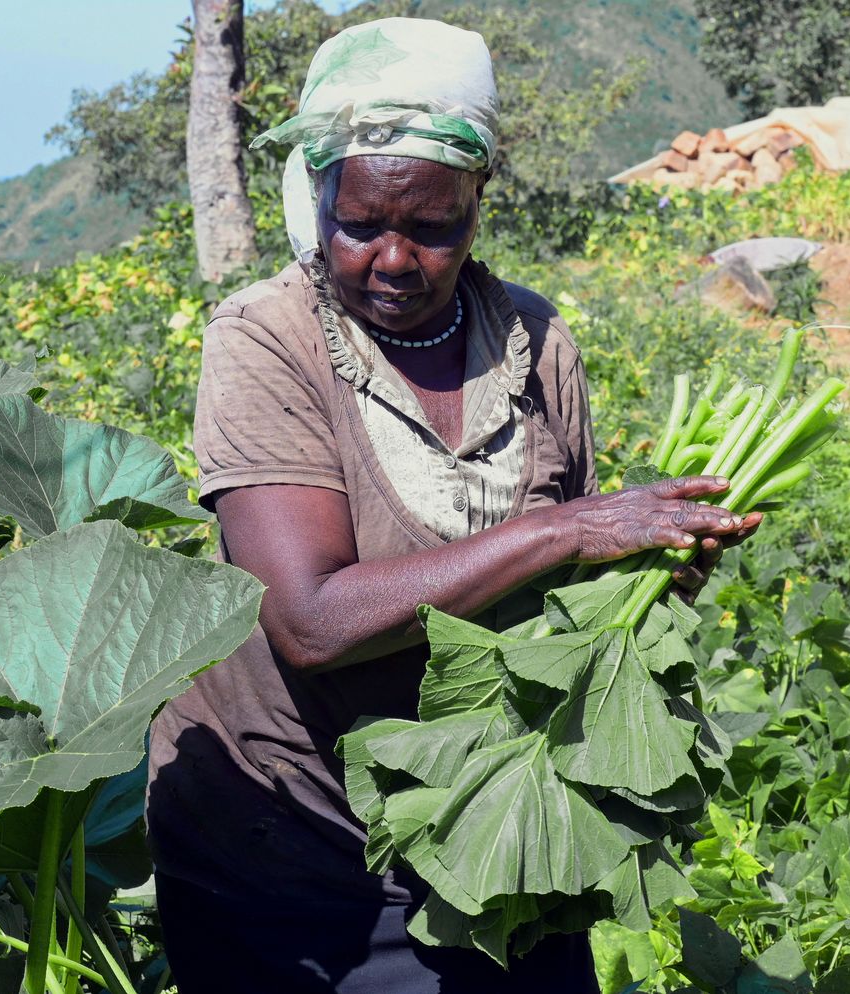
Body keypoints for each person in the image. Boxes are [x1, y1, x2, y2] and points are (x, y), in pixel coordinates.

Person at [145, 17, 759, 993]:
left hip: (494, 814)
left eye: (433, 228)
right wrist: (567, 530)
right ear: (316, 201)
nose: (395, 259)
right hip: (301, 843)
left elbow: (565, 597)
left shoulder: (534, 336)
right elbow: (311, 619)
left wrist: (656, 561)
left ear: (477, 205)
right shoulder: (267, 341)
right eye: (361, 225)